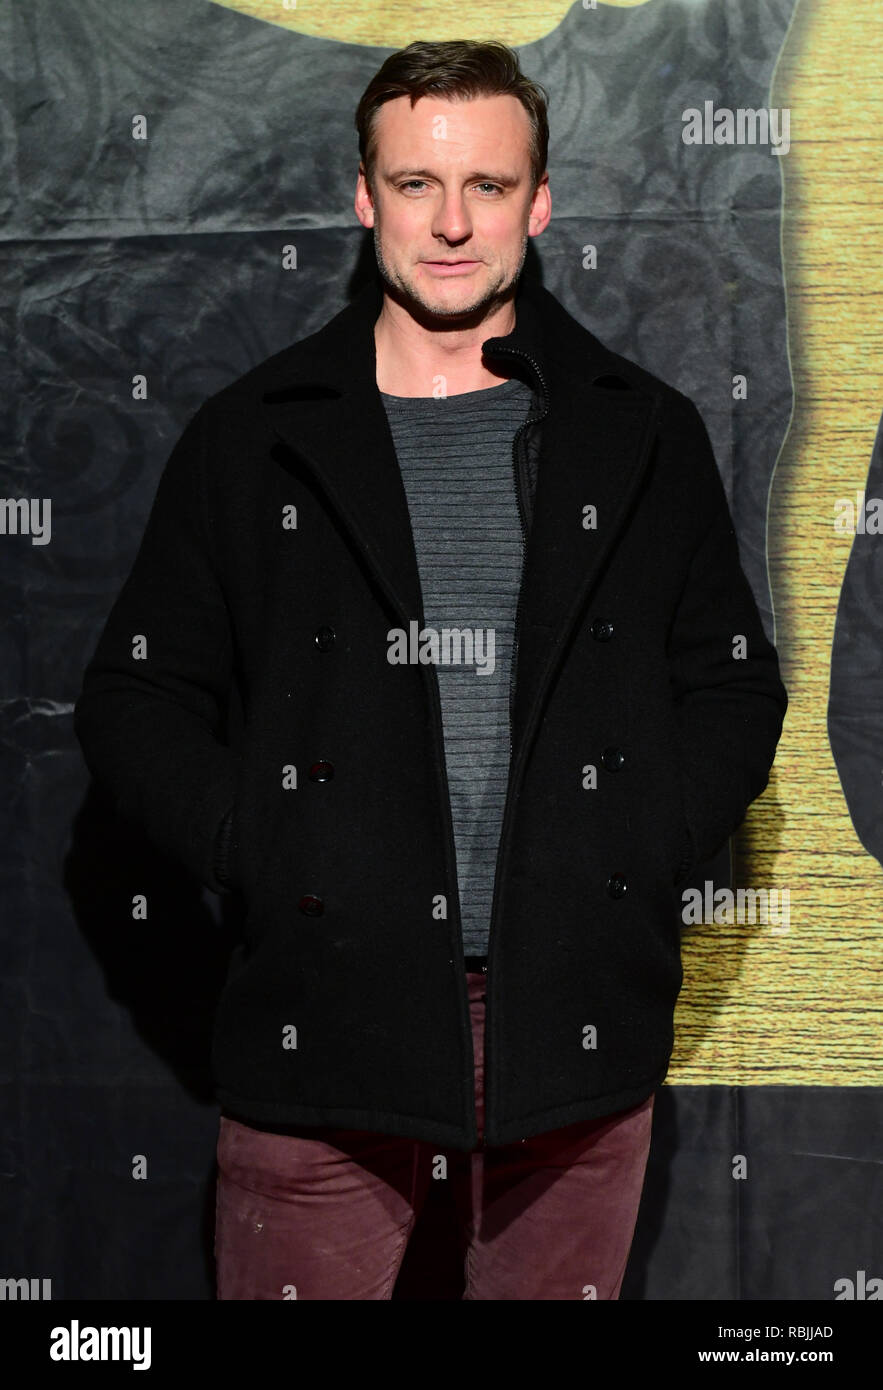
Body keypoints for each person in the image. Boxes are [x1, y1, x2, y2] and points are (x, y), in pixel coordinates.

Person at [73, 39, 788, 1300]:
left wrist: (628, 847)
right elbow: (134, 695)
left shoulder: (642, 433)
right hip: (322, 1024)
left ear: (541, 201)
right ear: (363, 198)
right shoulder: (255, 438)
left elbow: (732, 683)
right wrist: (265, 844)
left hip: (567, 1024)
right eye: (415, 185)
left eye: (489, 188)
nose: (451, 225)